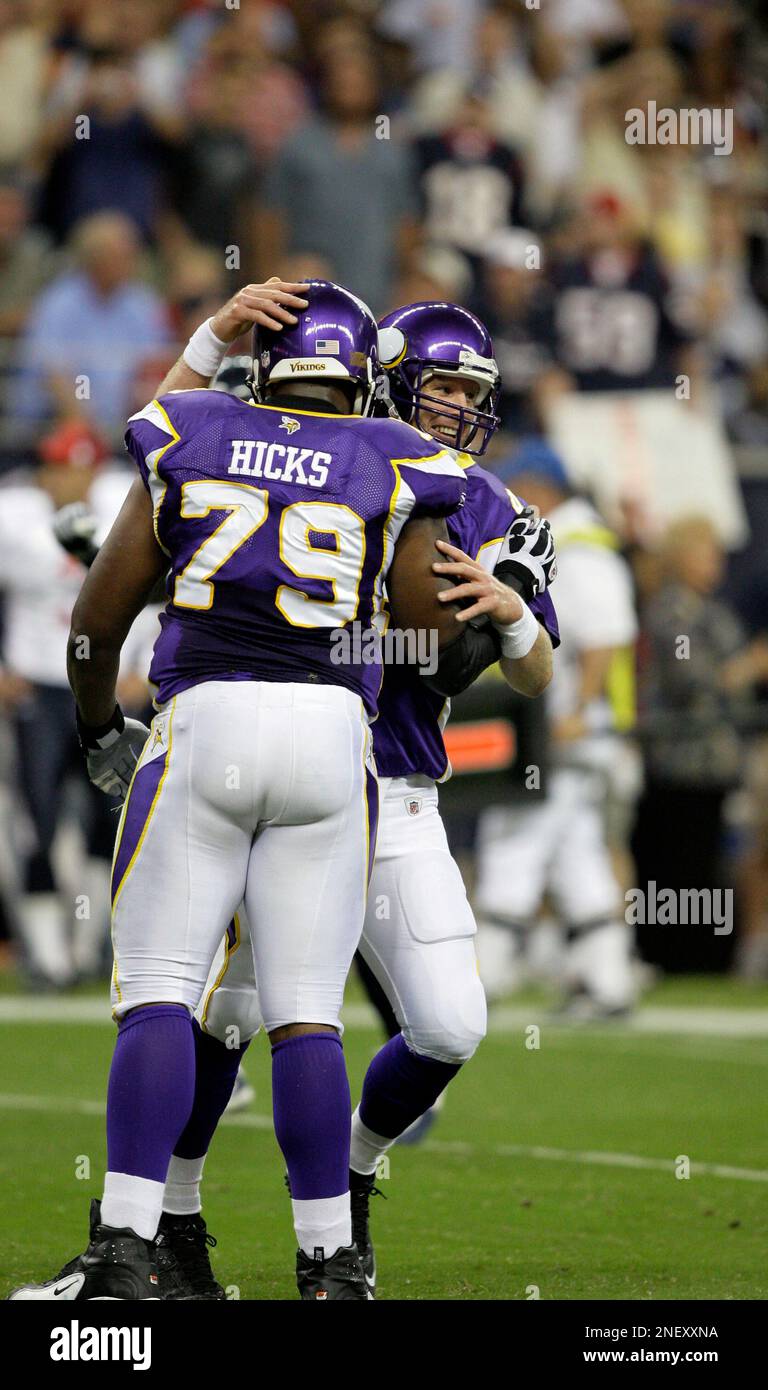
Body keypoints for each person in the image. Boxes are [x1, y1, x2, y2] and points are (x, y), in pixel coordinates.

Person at [9, 277, 475, 1303]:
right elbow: (425, 641)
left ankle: (127, 1249)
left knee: (165, 994)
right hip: (328, 738)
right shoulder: (394, 453)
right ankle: (329, 1265)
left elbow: (96, 616)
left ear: (265, 363)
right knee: (306, 1011)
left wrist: (97, 725)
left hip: (206, 716)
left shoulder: (196, 421)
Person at [150, 301, 559, 1300]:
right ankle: (173, 1218)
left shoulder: (485, 497)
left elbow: (542, 673)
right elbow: (160, 447)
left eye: (475, 392)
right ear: (387, 375)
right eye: (446, 384)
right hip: (286, 779)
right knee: (234, 1015)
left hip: (401, 795)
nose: (462, 407)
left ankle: (359, 1169)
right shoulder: (312, 453)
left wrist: (508, 617)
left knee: (451, 1027)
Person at [474, 438, 638, 1018]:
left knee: (513, 840)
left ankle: (484, 974)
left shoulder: (580, 548)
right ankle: (608, 982)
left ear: (542, 489)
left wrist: (573, 715)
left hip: (566, 729)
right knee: (576, 854)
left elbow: (605, 638)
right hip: (570, 727)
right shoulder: (572, 540)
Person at [0, 420, 132, 985]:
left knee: (114, 820)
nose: (65, 478)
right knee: (39, 817)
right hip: (41, 685)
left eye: (76, 465)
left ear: (97, 468)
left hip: (105, 686)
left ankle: (90, 947)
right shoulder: (14, 517)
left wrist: (145, 670)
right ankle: (50, 958)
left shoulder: (126, 505)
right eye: (56, 465)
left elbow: (151, 601)